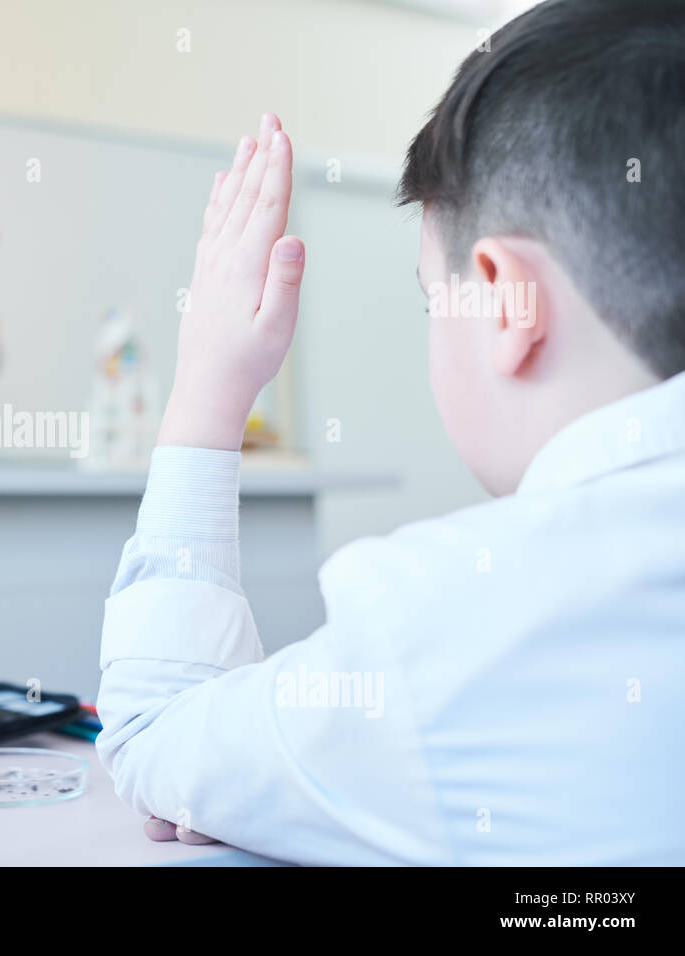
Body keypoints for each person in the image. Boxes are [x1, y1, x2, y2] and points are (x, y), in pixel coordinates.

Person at [96, 0, 685, 864]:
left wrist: (204, 392)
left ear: (507, 300)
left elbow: (153, 731)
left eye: (429, 299)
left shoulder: (455, 634)